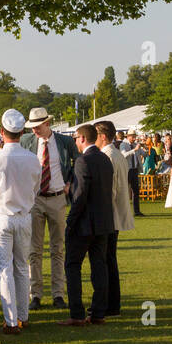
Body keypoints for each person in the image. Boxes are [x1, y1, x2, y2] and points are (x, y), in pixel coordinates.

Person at [0, 108, 42, 335]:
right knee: (21, 268)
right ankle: (22, 316)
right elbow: (36, 189)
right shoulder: (32, 159)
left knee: (5, 270)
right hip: (24, 216)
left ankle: (11, 320)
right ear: (21, 132)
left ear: (1, 132)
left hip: (1, 217)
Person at [60, 124, 115, 327]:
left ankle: (77, 313)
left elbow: (81, 194)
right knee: (99, 267)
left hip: (84, 223)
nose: (74, 141)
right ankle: (99, 312)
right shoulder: (105, 158)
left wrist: (71, 220)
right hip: (103, 221)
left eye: (75, 137)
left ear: (82, 138)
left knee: (72, 266)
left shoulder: (83, 160)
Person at [21, 107, 76, 309]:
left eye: (37, 127)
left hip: (57, 198)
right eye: (32, 127)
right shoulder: (26, 142)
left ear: (47, 124)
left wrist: (70, 182)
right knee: (34, 250)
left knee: (58, 248)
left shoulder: (65, 142)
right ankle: (35, 294)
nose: (34, 130)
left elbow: (77, 163)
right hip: (34, 199)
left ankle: (58, 294)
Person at [95, 121, 134, 316]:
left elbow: (109, 189)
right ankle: (112, 304)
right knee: (109, 259)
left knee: (106, 260)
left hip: (109, 215)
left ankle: (110, 304)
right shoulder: (117, 154)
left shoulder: (107, 156)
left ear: (103, 136)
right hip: (115, 214)